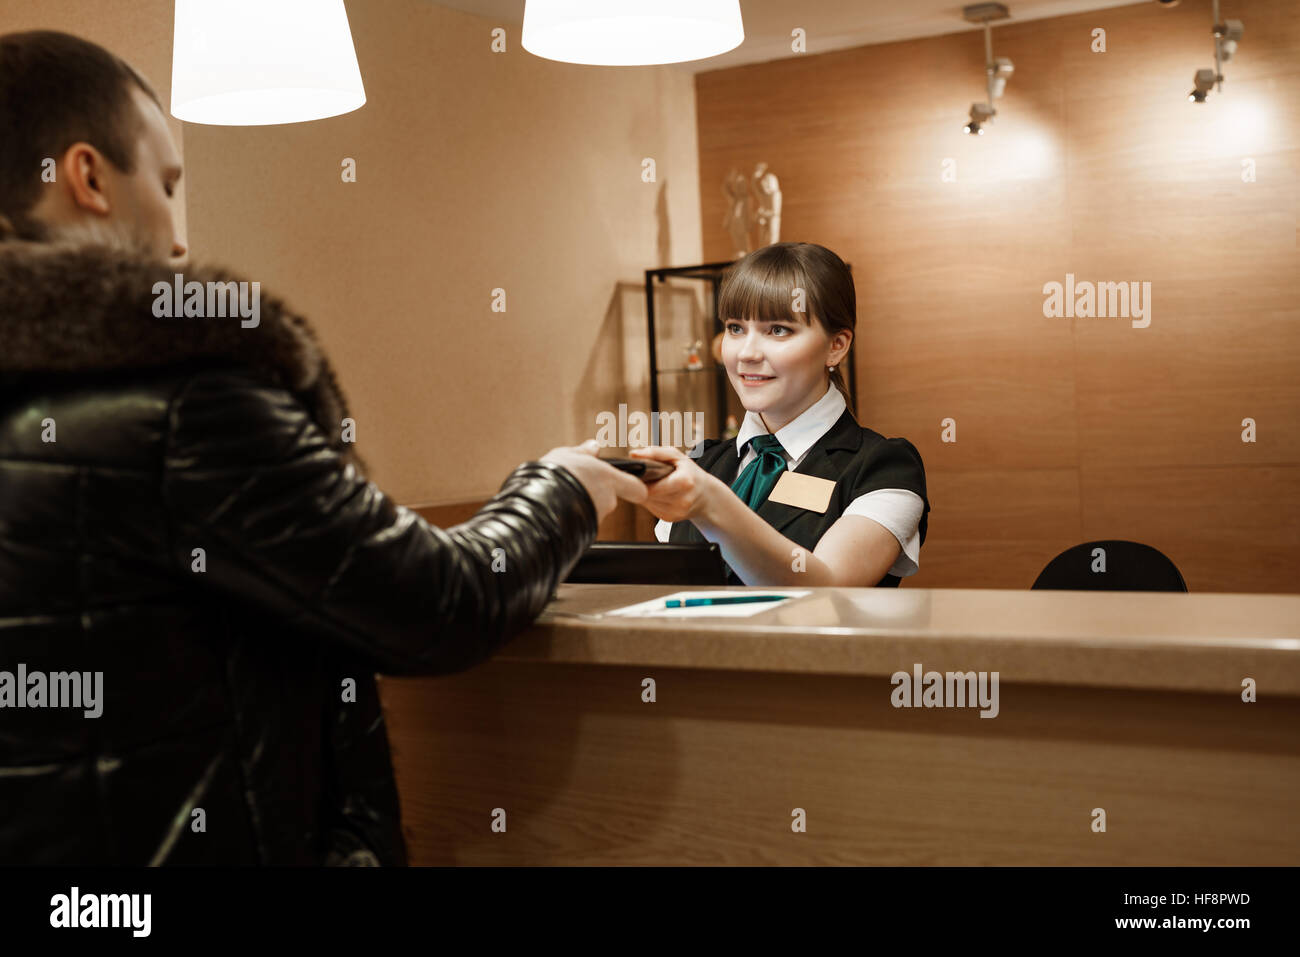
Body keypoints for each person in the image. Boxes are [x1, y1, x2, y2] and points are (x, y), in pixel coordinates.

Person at [0, 30, 648, 865]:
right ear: (88, 178)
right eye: (164, 184)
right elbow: (435, 602)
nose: (177, 240)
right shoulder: (182, 400)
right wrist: (563, 488)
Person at [632, 242, 930, 588]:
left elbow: (827, 588)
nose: (747, 353)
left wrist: (709, 503)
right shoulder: (700, 465)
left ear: (837, 346)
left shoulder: (884, 467)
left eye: (778, 330)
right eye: (735, 328)